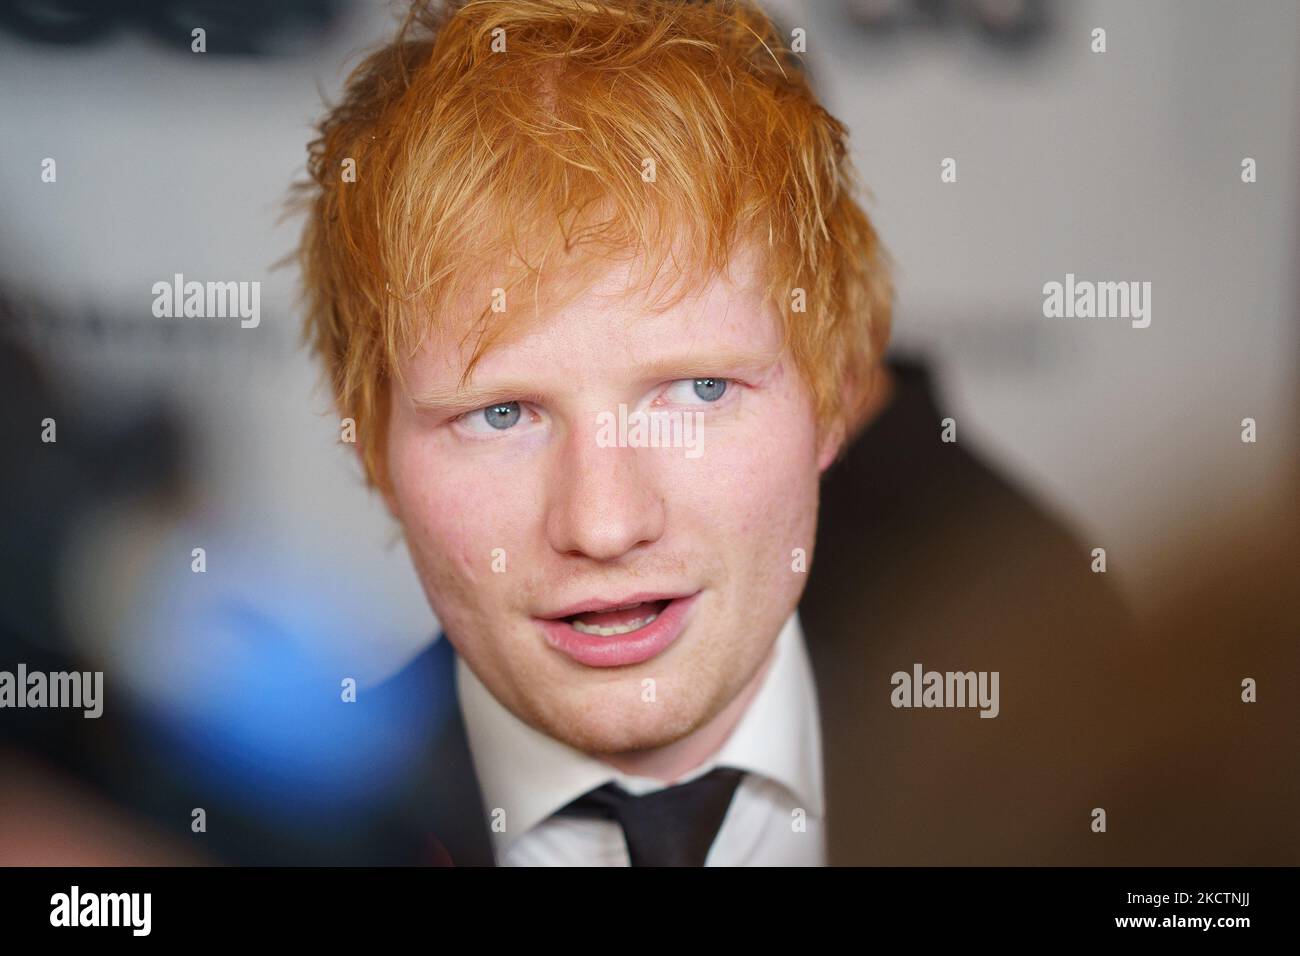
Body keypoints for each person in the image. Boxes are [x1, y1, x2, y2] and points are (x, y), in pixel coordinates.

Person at [293, 0, 1131, 866]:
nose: (604, 524)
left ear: (840, 393)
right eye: (500, 414)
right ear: (368, 445)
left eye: (698, 391)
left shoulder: (1074, 803)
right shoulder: (272, 836)